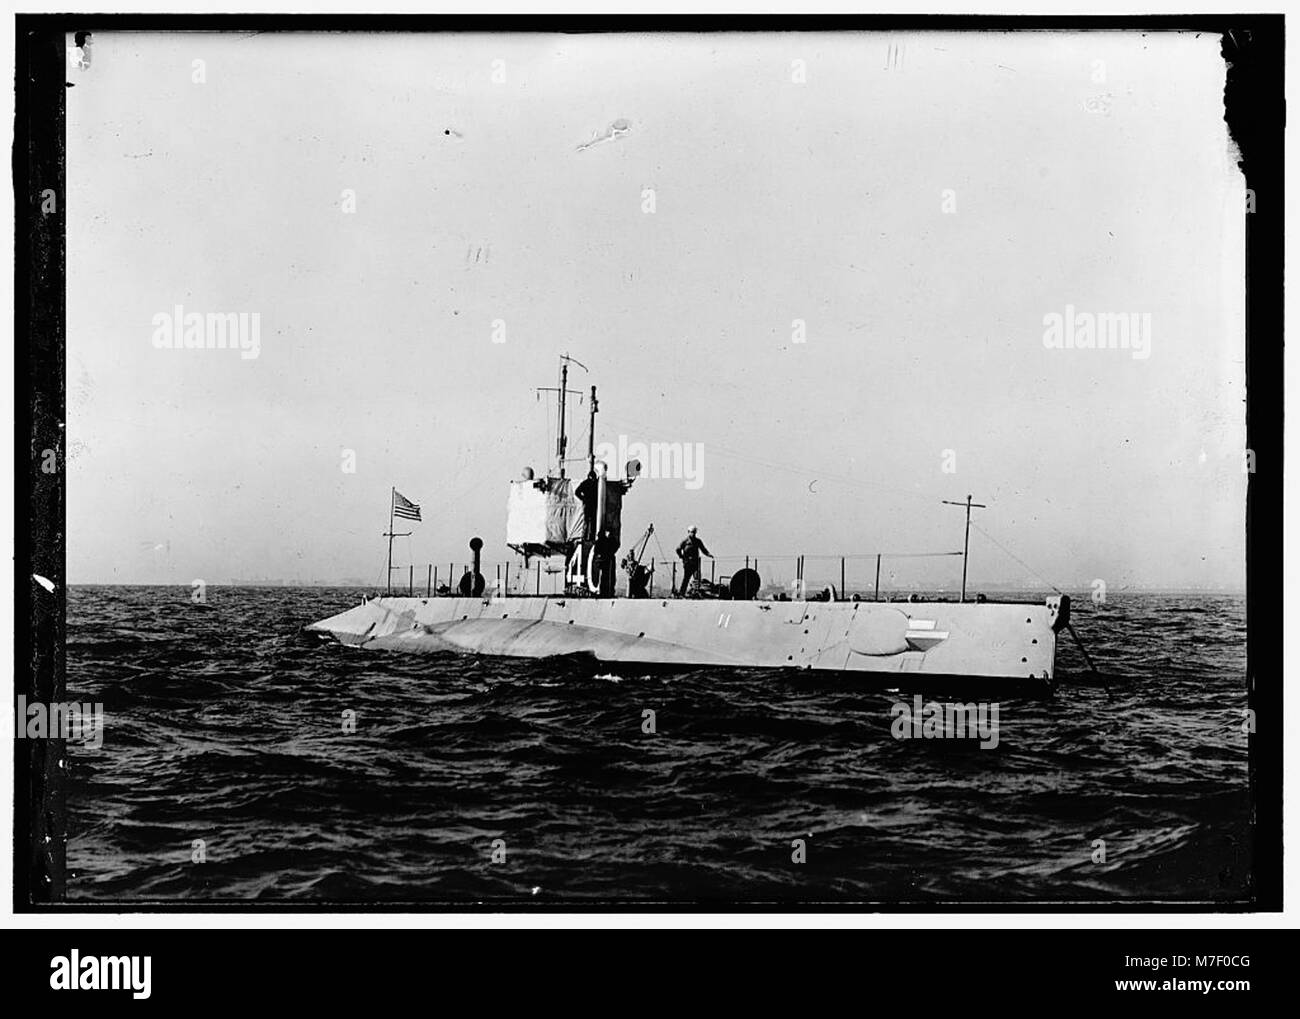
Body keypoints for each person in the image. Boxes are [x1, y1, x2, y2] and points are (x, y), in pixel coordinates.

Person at [676, 526, 712, 597]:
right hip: (687, 563)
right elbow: (678, 549)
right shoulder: (685, 541)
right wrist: (682, 556)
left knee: (697, 578)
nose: (693, 534)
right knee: (686, 578)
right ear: (688, 532)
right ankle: (681, 593)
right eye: (691, 532)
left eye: (694, 533)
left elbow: (703, 549)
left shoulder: (698, 541)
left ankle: (696, 593)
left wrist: (708, 554)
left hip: (695, 563)